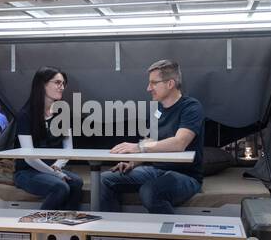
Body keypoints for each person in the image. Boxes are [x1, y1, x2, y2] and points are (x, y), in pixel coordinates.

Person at [99, 59, 204, 214]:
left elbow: (179, 143)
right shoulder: (157, 110)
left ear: (170, 84)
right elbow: (151, 141)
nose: (148, 88)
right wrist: (133, 163)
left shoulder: (191, 107)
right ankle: (111, 230)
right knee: (104, 179)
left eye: (154, 83)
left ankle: (170, 236)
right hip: (156, 169)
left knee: (150, 191)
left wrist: (138, 147)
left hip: (186, 176)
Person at [12, 67, 83, 210]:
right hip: (28, 171)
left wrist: (58, 166)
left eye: (63, 84)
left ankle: (67, 223)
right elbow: (29, 158)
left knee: (77, 182)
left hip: (52, 167)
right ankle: (39, 225)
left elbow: (68, 149)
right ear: (42, 84)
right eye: (57, 83)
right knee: (60, 187)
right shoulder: (25, 115)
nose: (62, 87)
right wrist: (55, 174)